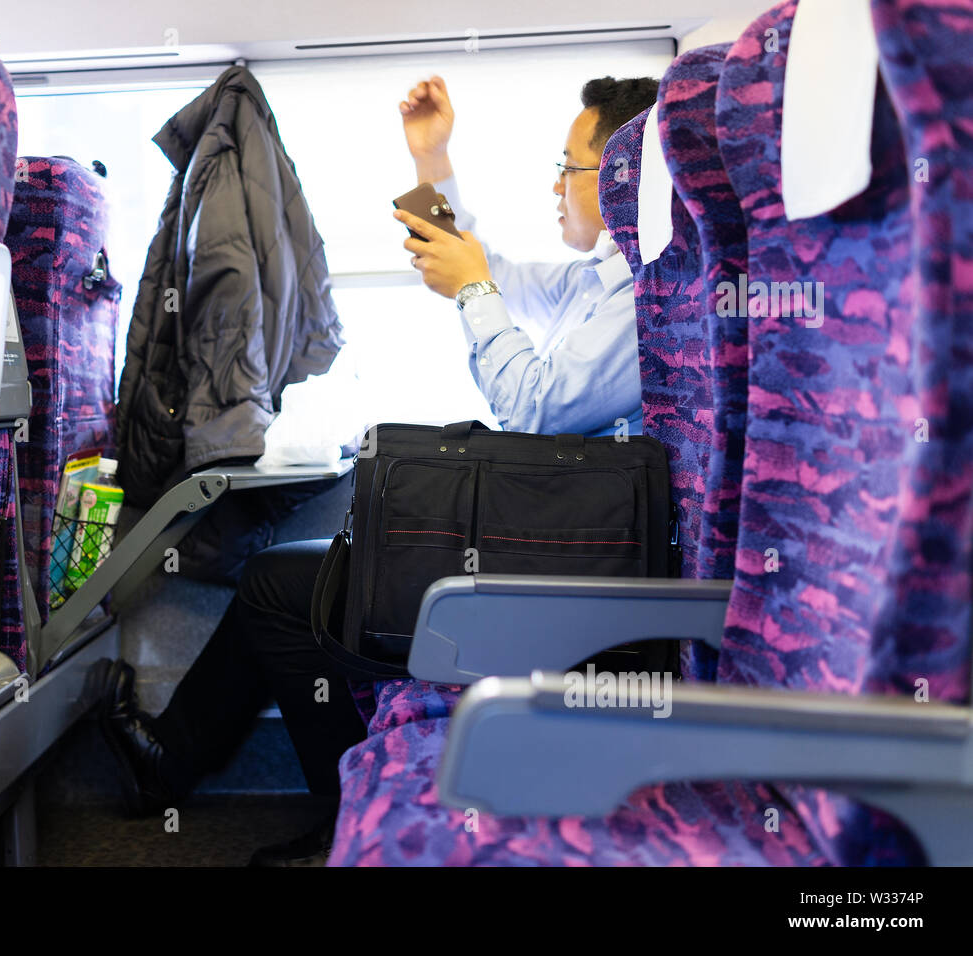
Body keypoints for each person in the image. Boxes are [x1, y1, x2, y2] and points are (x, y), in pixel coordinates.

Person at [99, 74, 662, 867]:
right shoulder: (595, 281)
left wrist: (471, 287)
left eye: (567, 166)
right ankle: (187, 768)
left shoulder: (640, 297)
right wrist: (431, 161)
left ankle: (230, 786)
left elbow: (534, 402)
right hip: (556, 544)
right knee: (301, 576)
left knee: (281, 589)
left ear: (622, 176)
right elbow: (485, 263)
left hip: (575, 577)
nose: (554, 184)